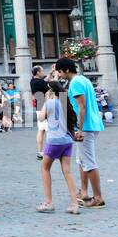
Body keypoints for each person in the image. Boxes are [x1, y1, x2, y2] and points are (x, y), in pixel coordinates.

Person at [54, 57, 106, 208]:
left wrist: (80, 128)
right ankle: (84, 193)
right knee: (82, 160)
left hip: (86, 127)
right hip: (91, 124)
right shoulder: (83, 79)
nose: (59, 74)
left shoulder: (75, 83)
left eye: (60, 71)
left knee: (89, 162)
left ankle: (98, 197)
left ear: (66, 70)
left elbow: (81, 107)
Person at [36, 84, 81, 214]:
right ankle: (74, 204)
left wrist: (45, 102)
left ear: (51, 92)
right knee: (68, 172)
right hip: (67, 140)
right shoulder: (64, 102)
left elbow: (40, 117)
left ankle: (48, 202)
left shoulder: (50, 103)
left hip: (54, 141)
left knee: (45, 168)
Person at [31, 65, 50, 159]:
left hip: (39, 106)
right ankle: (49, 151)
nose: (43, 72)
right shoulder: (40, 82)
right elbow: (50, 88)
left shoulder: (33, 81)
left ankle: (40, 152)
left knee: (41, 129)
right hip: (45, 107)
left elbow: (45, 81)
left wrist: (50, 73)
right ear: (38, 72)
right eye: (42, 71)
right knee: (48, 130)